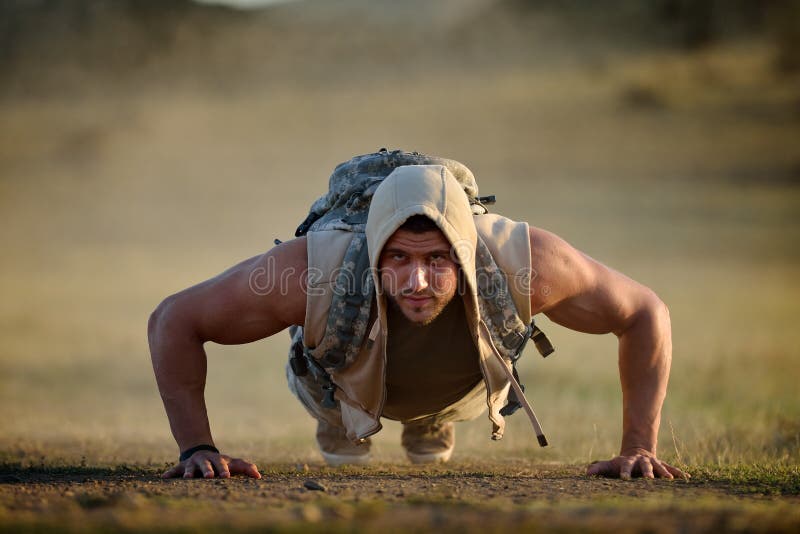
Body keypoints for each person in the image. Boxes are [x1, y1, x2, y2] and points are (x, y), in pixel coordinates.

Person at [148, 161, 688, 481]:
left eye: (437, 260)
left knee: (449, 389)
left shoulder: (526, 262)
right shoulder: (313, 269)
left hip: (468, 387)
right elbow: (173, 319)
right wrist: (197, 450)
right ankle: (342, 420)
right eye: (399, 258)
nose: (417, 282)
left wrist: (639, 446)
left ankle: (433, 419)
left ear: (464, 249)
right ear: (374, 247)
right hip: (338, 384)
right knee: (333, 397)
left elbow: (646, 312)